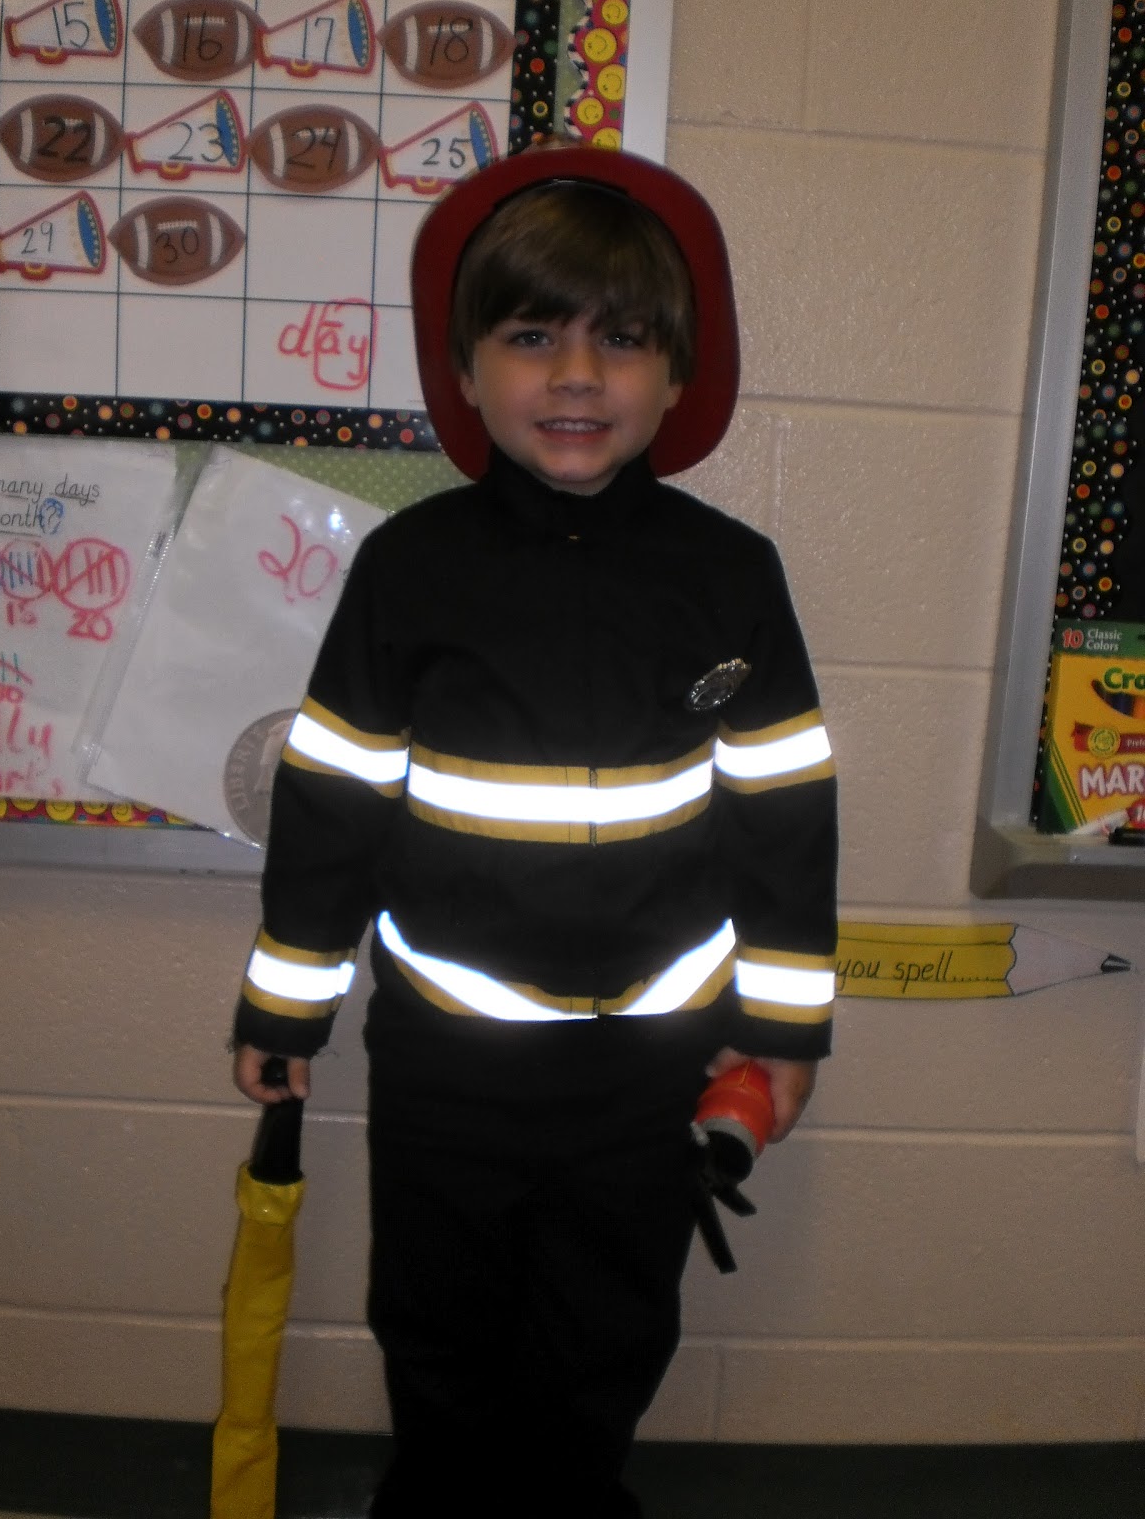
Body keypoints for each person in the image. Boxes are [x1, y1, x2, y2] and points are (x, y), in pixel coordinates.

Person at [231, 142, 838, 1519]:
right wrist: (286, 1010)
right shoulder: (411, 569)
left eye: (622, 340)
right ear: (465, 370)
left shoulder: (731, 579)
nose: (577, 374)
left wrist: (784, 1031)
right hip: (447, 1061)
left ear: (680, 377)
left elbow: (787, 825)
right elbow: (329, 807)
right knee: (437, 1337)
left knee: (605, 1341)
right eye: (531, 336)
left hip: (648, 1065)